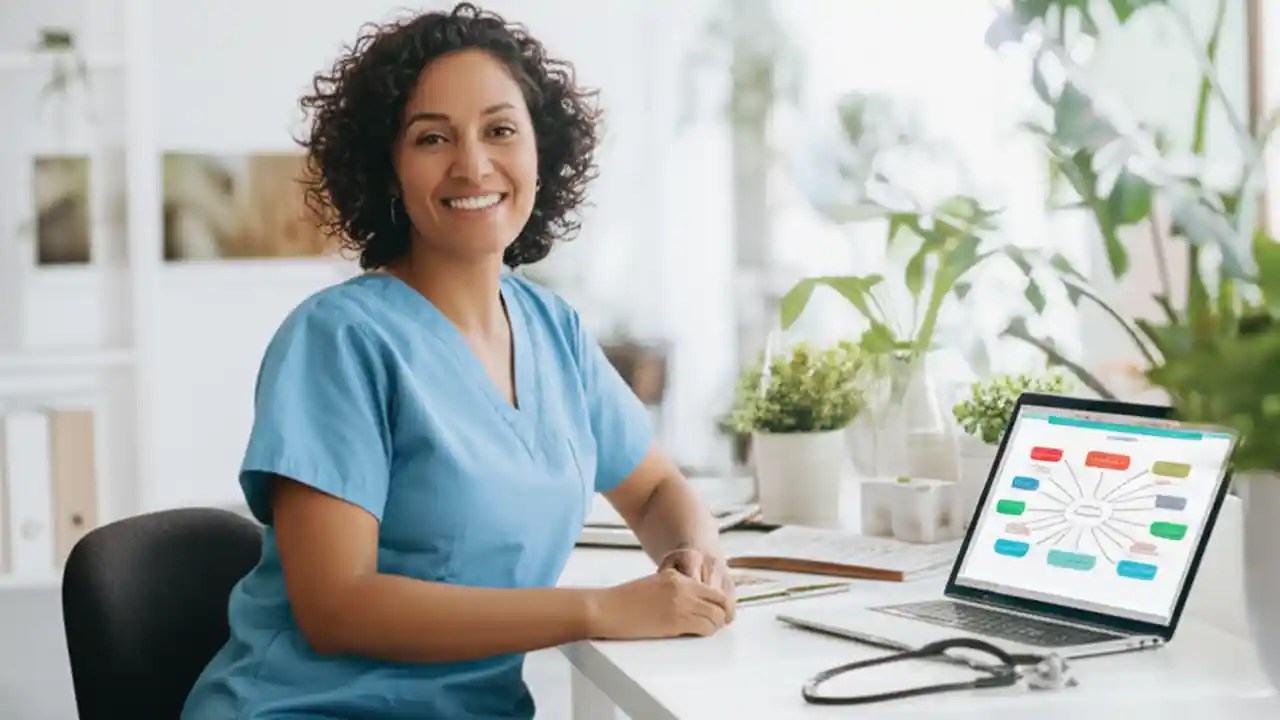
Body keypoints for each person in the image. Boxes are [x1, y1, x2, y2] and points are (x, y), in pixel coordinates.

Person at [181, 3, 735, 719]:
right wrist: (599, 608)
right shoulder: (339, 341)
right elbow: (337, 606)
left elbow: (657, 488)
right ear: (389, 165)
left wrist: (692, 558)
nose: (472, 164)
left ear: (542, 152)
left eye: (500, 130)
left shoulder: (554, 329)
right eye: (432, 137)